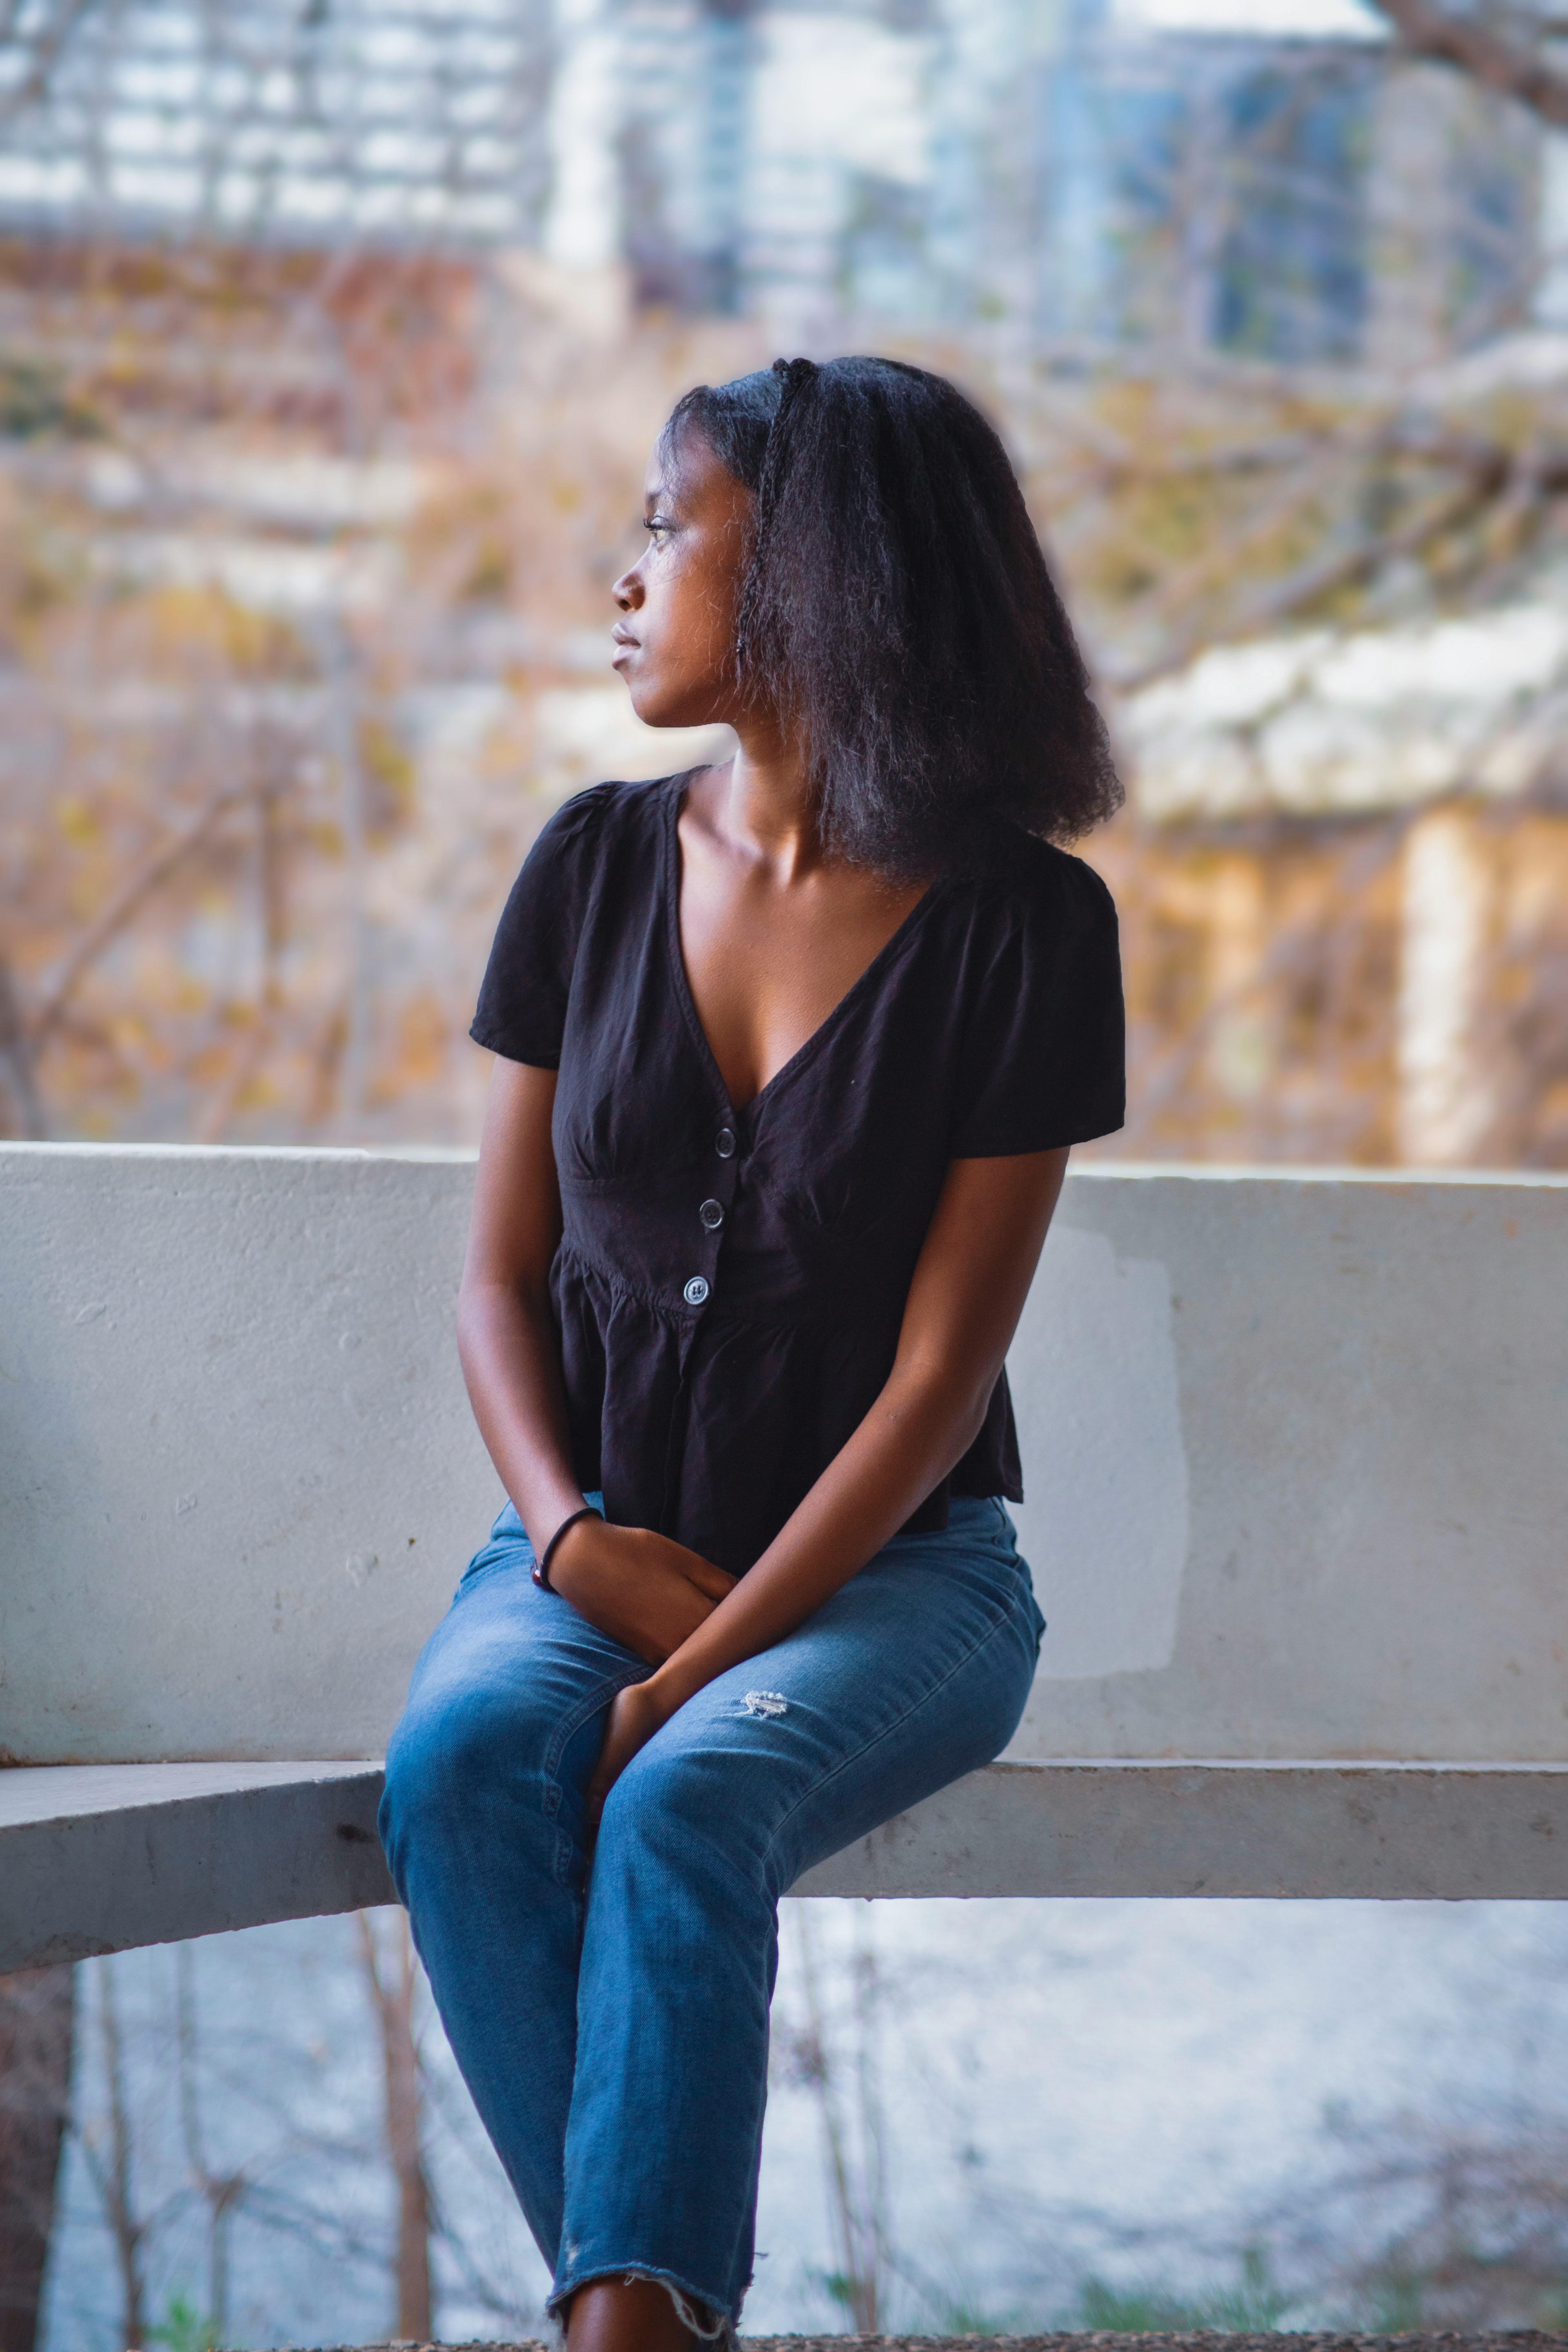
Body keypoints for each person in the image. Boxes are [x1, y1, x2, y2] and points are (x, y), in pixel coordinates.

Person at [379, 354, 1125, 2352]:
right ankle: (649, 2314)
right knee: (457, 1765)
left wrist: (688, 1667)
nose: (623, 579)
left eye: (661, 528)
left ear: (801, 573)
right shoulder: (593, 863)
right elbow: (495, 1280)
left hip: (903, 1584)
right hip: (593, 1540)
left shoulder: (1027, 928)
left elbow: (939, 1385)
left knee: (687, 1798)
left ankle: (627, 2329)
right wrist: (567, 1546)